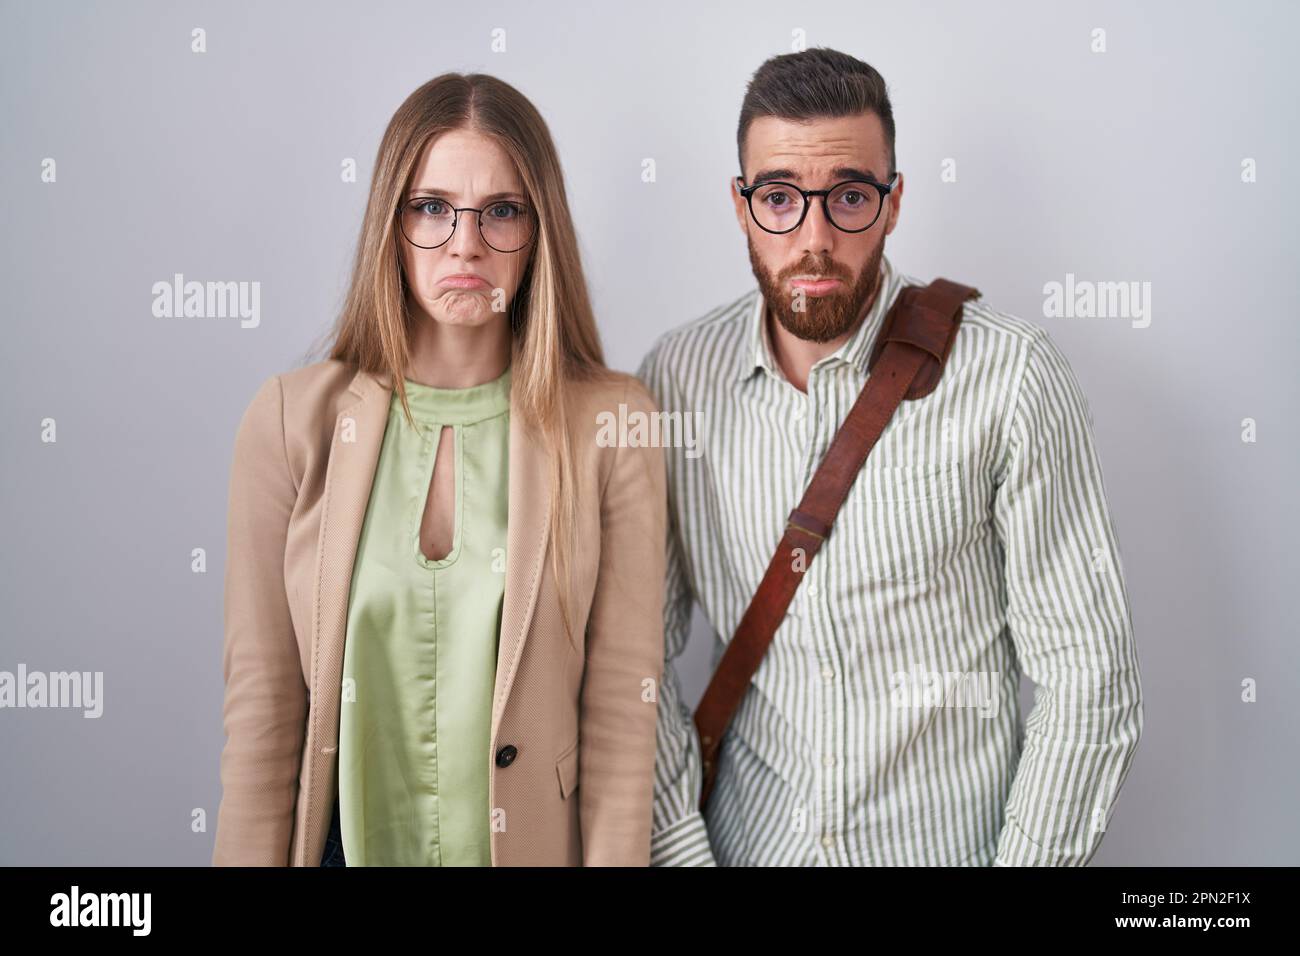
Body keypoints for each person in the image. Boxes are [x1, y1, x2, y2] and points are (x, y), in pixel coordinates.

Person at [640, 48, 1143, 866]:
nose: (813, 239)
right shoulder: (673, 382)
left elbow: (1090, 677)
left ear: (894, 201)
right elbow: (637, 664)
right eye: (778, 198)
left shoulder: (1012, 377)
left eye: (848, 197)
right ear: (740, 206)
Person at [212, 72, 666, 867]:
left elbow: (622, 729)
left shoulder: (613, 424)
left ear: (539, 230)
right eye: (431, 208)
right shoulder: (288, 422)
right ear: (391, 223)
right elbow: (262, 721)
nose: (466, 244)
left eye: (501, 211)